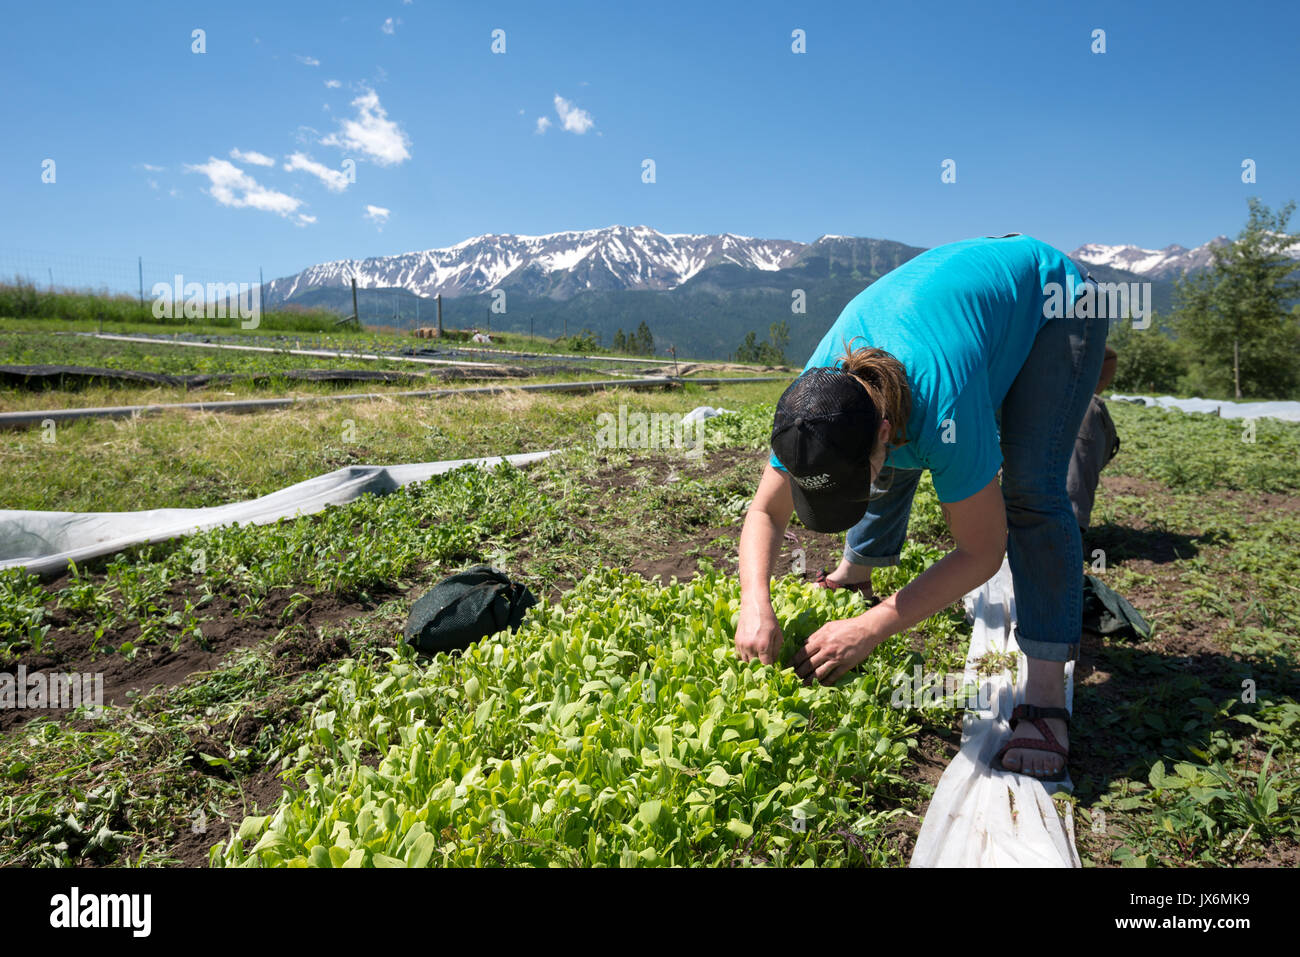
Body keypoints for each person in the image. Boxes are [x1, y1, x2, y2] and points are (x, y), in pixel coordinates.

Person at [735, 234, 1109, 781]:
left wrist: (870, 628)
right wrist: (754, 602)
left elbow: (983, 552)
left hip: (1057, 302)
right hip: (952, 326)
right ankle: (856, 572)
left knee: (1033, 492)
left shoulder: (943, 406)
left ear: (885, 432)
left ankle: (1047, 700)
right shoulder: (810, 409)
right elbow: (765, 512)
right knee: (881, 458)